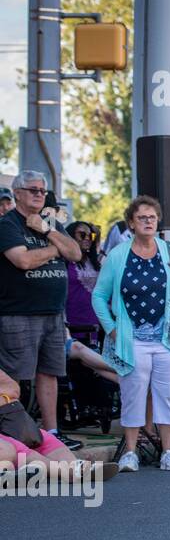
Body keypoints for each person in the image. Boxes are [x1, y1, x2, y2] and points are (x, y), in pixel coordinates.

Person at [91, 195, 170, 472]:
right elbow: (99, 296)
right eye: (142, 218)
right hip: (131, 337)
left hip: (167, 338)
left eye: (152, 217)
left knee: (167, 394)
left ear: (158, 221)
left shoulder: (169, 249)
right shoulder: (118, 255)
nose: (148, 222)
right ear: (131, 223)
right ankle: (131, 453)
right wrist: (110, 328)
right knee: (133, 394)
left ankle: (169, 452)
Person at [0, 170, 82, 439]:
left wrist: (47, 231)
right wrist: (54, 249)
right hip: (20, 312)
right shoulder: (8, 224)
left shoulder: (50, 223)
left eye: (43, 191)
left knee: (50, 373)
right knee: (17, 378)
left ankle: (52, 432)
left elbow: (76, 253)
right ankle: (14, 433)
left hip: (53, 313)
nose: (39, 194)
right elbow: (23, 261)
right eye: (33, 189)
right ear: (18, 193)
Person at [0, 363, 117, 480]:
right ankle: (65, 471)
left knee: (45, 439)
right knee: (14, 448)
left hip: (12, 417)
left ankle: (73, 465)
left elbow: (13, 388)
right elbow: (11, 389)